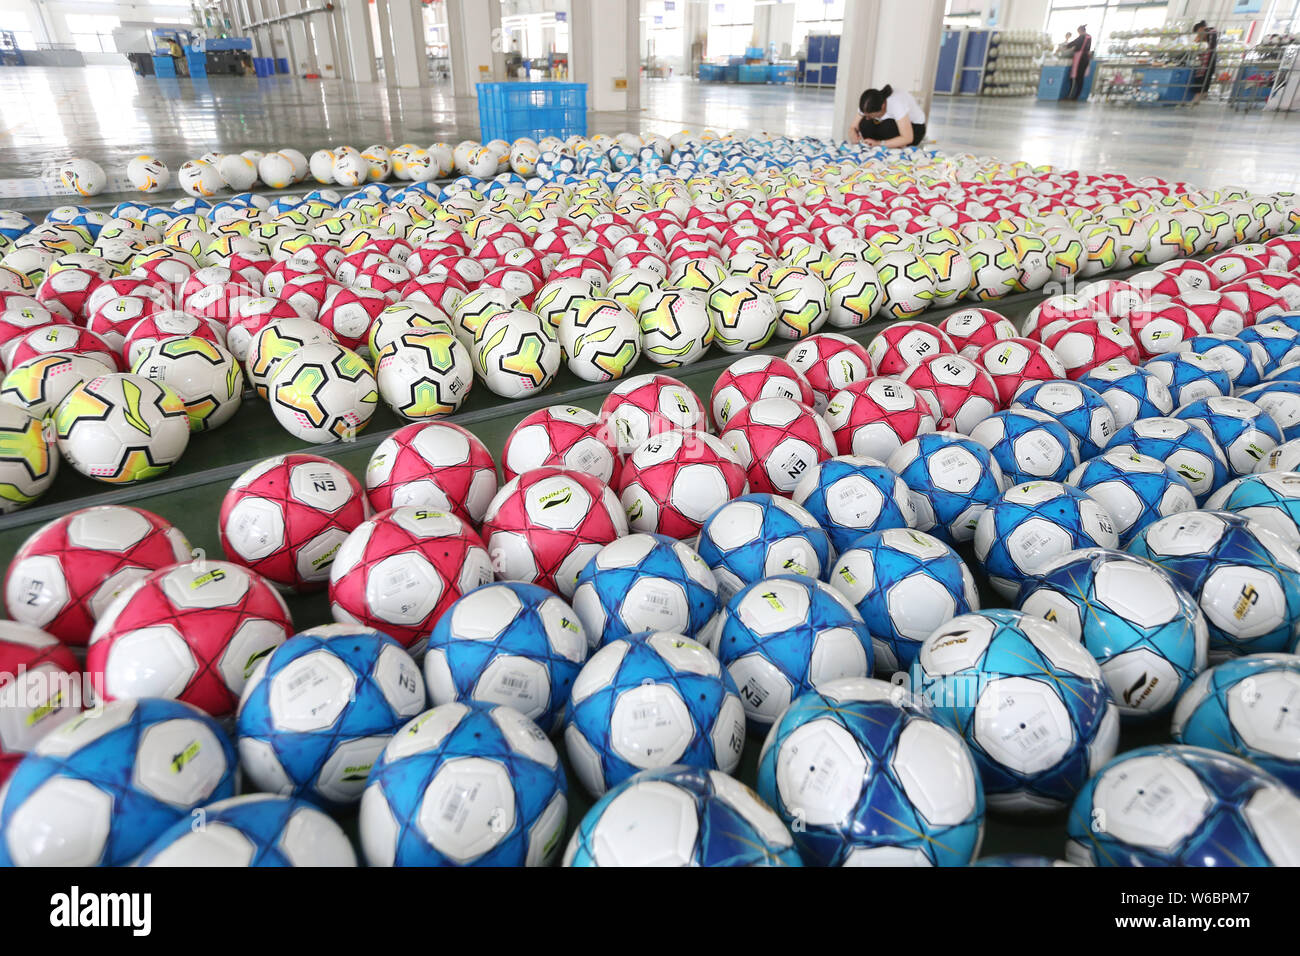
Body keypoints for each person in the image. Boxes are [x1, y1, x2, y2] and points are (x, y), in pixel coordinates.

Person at [848, 85, 927, 149]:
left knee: (887, 126)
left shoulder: (896, 103)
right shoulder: (868, 103)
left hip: (915, 130)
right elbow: (853, 127)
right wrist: (853, 134)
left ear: (883, 106)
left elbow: (908, 138)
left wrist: (879, 143)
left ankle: (894, 145)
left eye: (871, 115)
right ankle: (888, 144)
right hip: (891, 125)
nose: (868, 117)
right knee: (865, 123)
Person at [1191, 20, 1219, 104]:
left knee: (1203, 78)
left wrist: (1200, 36)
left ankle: (1197, 99)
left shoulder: (1210, 32)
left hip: (1209, 59)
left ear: (1200, 28)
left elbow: (1199, 41)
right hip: (1207, 59)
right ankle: (1199, 98)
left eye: (1198, 31)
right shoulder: (1207, 34)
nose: (1198, 34)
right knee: (1204, 78)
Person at [1064, 24, 1091, 100]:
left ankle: (1072, 96)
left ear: (1080, 31)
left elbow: (1073, 43)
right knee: (1080, 78)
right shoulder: (1089, 37)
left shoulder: (1082, 37)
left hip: (1080, 59)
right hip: (1085, 59)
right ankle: (1077, 95)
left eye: (1078, 31)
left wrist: (1065, 46)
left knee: (1075, 78)